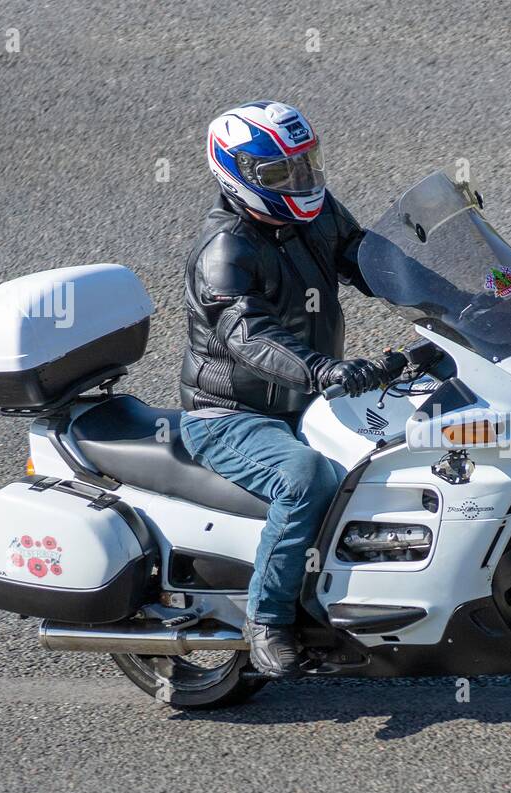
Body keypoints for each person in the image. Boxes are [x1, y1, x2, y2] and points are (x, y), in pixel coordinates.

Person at [180, 100, 387, 678]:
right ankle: (267, 620)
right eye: (279, 175)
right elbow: (247, 335)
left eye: (304, 165)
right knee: (305, 479)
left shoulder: (316, 217)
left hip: (307, 401)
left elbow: (371, 262)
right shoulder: (226, 249)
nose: (299, 182)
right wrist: (322, 371)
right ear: (236, 174)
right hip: (230, 416)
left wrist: (464, 286)